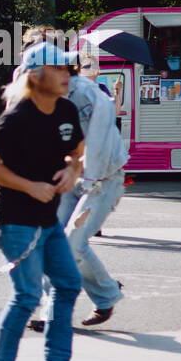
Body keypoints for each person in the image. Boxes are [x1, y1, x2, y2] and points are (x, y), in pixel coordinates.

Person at [0, 41, 102, 361]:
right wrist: (30, 186)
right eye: (59, 69)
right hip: (15, 222)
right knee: (28, 294)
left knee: (67, 284)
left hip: (47, 221)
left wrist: (71, 172)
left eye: (69, 69)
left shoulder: (65, 110)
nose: (67, 75)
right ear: (36, 74)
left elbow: (77, 153)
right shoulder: (19, 116)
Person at [29, 53, 128, 331]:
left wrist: (93, 177)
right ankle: (97, 295)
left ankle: (95, 297)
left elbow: (100, 140)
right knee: (53, 241)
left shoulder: (87, 93)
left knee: (73, 242)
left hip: (103, 176)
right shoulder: (44, 91)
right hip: (73, 176)